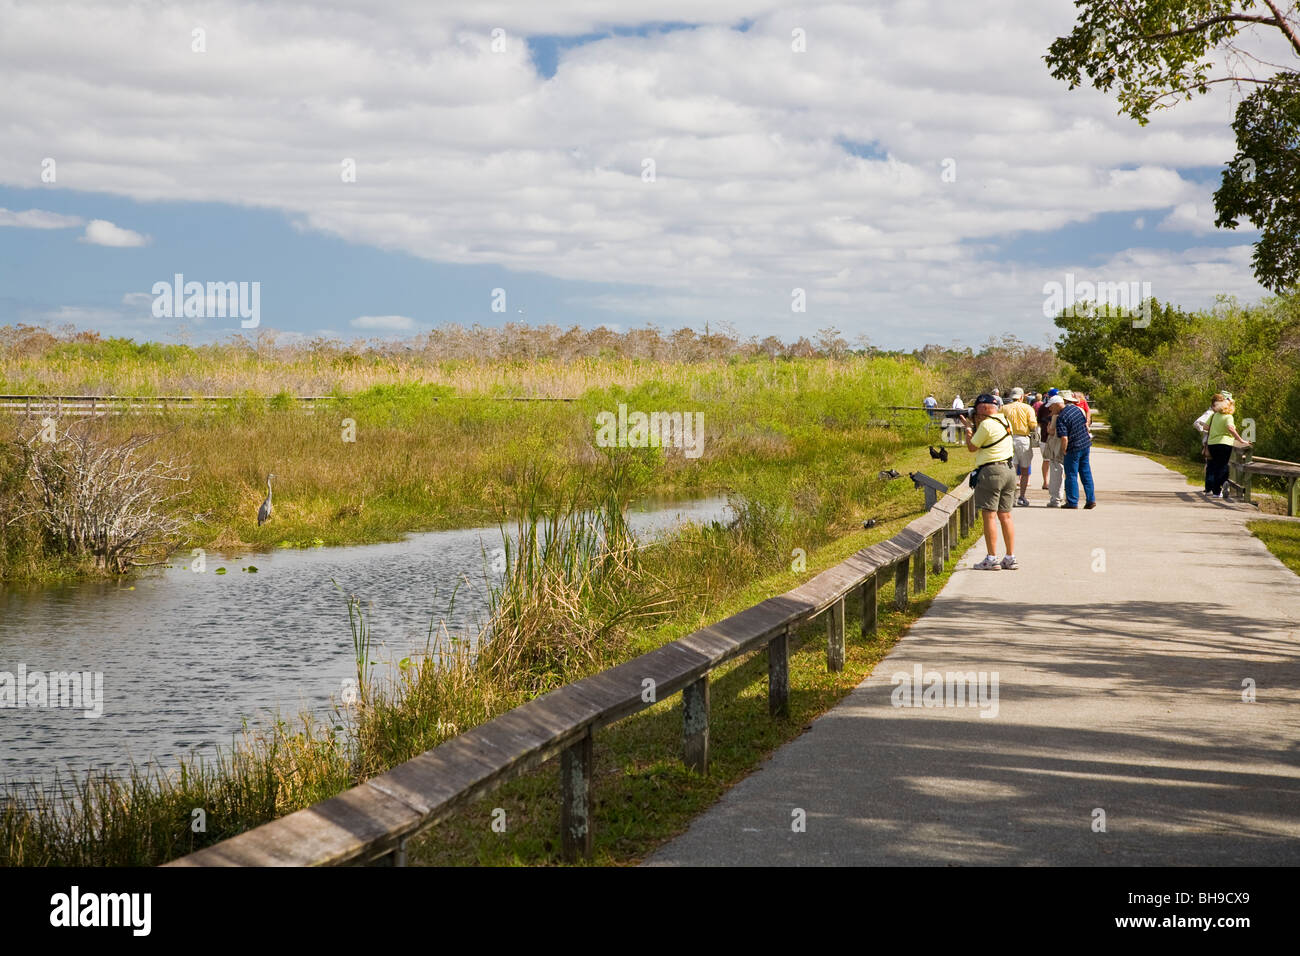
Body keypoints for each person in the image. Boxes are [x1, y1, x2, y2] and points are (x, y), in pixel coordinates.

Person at [960, 394, 1017, 569]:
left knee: (989, 515)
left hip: (992, 472)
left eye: (977, 408)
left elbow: (972, 447)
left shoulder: (986, 424)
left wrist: (969, 430)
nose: (975, 411)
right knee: (1005, 516)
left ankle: (991, 559)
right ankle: (1010, 557)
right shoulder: (1005, 421)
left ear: (984, 408)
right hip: (1009, 470)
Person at [1056, 390, 1095, 509]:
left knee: (1071, 474)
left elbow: (1064, 438)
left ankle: (1072, 501)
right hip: (1085, 445)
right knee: (1086, 473)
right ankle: (1090, 499)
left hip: (1073, 448)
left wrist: (1063, 450)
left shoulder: (1062, 416)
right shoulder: (1078, 409)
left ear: (1062, 401)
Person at [1205, 393, 1249, 497]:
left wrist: (1216, 430)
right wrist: (1241, 440)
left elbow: (1206, 427)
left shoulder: (1214, 415)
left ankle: (1216, 491)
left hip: (1212, 443)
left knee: (1215, 465)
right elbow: (1230, 428)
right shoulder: (1228, 417)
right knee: (1224, 465)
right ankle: (1224, 482)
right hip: (1224, 443)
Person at [1002, 387, 1037, 507]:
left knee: (1012, 469)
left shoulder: (1004, 408)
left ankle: (1011, 497)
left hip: (1008, 438)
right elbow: (1033, 425)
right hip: (1023, 439)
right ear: (1022, 397)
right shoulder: (1028, 408)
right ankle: (1022, 496)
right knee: (1025, 470)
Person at [1042, 394, 1066, 506]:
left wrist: (1050, 425)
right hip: (1057, 449)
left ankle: (1056, 498)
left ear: (1056, 405)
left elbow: (1051, 431)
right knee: (1059, 473)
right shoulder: (1063, 414)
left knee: (1056, 473)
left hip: (1057, 450)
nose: (1050, 409)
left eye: (1051, 406)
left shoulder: (1057, 417)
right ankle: (1057, 497)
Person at [1037, 388, 1058, 489]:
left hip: (1050, 438)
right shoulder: (1042, 407)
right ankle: (1046, 482)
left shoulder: (1042, 407)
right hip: (1047, 438)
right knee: (1051, 461)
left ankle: (1048, 482)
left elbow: (1039, 423)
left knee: (1049, 461)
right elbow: (1040, 422)